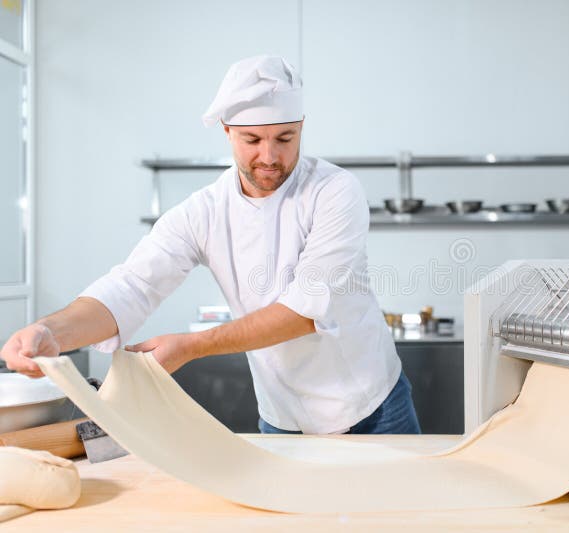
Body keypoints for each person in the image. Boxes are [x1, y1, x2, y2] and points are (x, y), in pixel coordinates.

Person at [0, 55, 421, 436]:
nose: (270, 156)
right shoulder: (204, 212)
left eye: (285, 138)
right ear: (227, 131)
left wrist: (193, 345)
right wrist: (51, 331)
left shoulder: (335, 191)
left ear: (302, 128)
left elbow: (304, 310)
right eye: (252, 140)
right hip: (284, 416)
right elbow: (130, 287)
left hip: (372, 407)